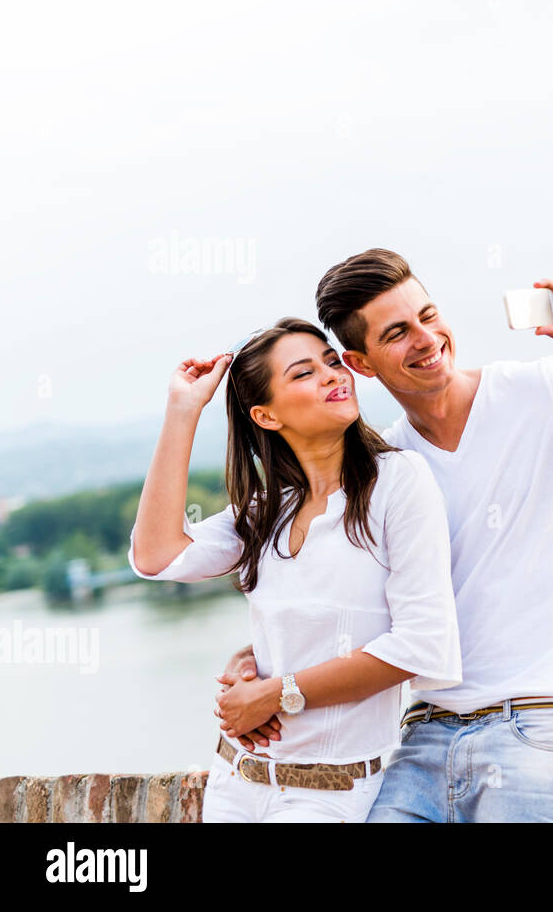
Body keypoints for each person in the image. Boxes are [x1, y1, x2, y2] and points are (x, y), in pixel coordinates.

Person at [219, 254, 553, 822]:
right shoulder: (383, 471)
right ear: (360, 363)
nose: (425, 338)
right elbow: (334, 606)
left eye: (428, 316)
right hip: (422, 741)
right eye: (397, 333)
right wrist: (259, 664)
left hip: (544, 725)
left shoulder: (543, 392)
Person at [129, 318, 461, 822]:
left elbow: (422, 645)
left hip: (328, 793)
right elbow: (156, 557)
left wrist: (275, 693)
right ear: (265, 415)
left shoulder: (398, 481)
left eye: (331, 362)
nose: (334, 376)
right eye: (304, 373)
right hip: (236, 783)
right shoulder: (267, 508)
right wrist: (182, 412)